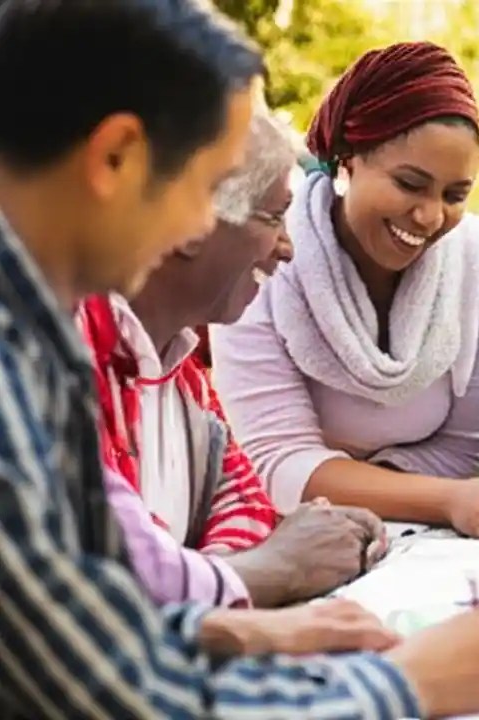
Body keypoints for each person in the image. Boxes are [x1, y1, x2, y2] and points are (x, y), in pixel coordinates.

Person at [0, 1, 479, 716]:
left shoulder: (41, 338)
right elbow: (114, 692)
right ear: (115, 158)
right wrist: (404, 687)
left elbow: (100, 614)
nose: (197, 226)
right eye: (201, 185)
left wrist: (246, 633)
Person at [212, 42, 479, 538]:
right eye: (410, 184)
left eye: (455, 195)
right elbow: (277, 465)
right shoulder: (267, 255)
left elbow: (464, 452)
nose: (431, 215)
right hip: (290, 540)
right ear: (348, 161)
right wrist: (446, 500)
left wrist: (340, 477)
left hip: (422, 545)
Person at [78, 103, 388, 609]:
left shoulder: (181, 370)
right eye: (272, 217)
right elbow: (110, 576)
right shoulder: (65, 356)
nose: (287, 248)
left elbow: (240, 494)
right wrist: (266, 571)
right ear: (193, 221)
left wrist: (242, 572)